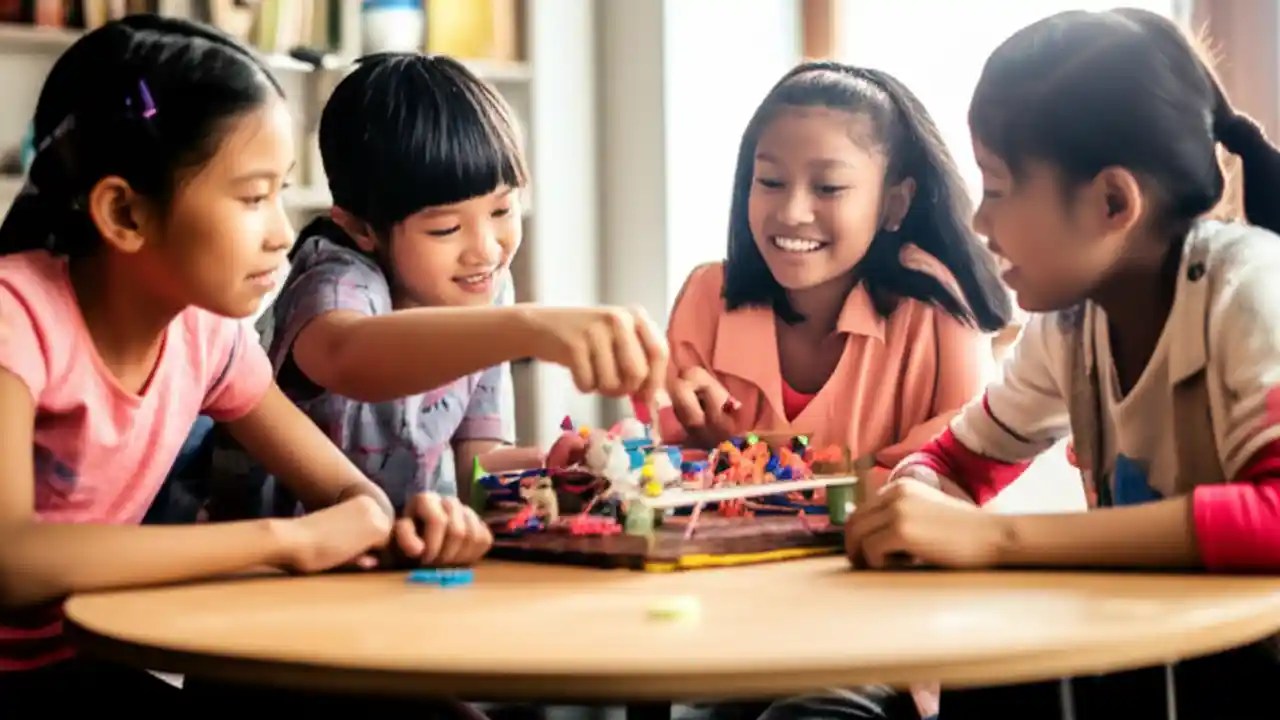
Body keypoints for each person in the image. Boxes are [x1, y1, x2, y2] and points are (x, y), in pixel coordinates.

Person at [0, 17, 490, 708]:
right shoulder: (16, 320)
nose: (284, 233)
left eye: (282, 193)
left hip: (88, 664)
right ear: (125, 214)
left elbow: (352, 498)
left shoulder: (207, 337)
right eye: (254, 198)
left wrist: (407, 527)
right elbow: (13, 563)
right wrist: (283, 540)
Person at [843, 9, 1280, 719]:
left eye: (999, 188)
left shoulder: (1252, 293)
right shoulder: (1070, 324)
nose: (981, 224)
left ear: (1113, 201)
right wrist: (917, 503)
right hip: (1169, 661)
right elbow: (954, 462)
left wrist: (994, 540)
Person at [653, 61, 1012, 720]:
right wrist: (693, 446)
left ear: (894, 203)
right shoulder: (709, 296)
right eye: (770, 182)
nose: (792, 211)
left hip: (875, 630)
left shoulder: (935, 313)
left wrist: (744, 471)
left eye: (829, 187)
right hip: (723, 623)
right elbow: (661, 484)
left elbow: (933, 489)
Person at [251, 52, 666, 517]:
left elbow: (477, 471)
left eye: (503, 210)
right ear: (362, 229)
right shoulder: (335, 280)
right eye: (446, 229)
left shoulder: (489, 289)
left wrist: (557, 470)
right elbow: (346, 355)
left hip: (405, 557)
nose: (486, 251)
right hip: (286, 567)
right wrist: (529, 326)